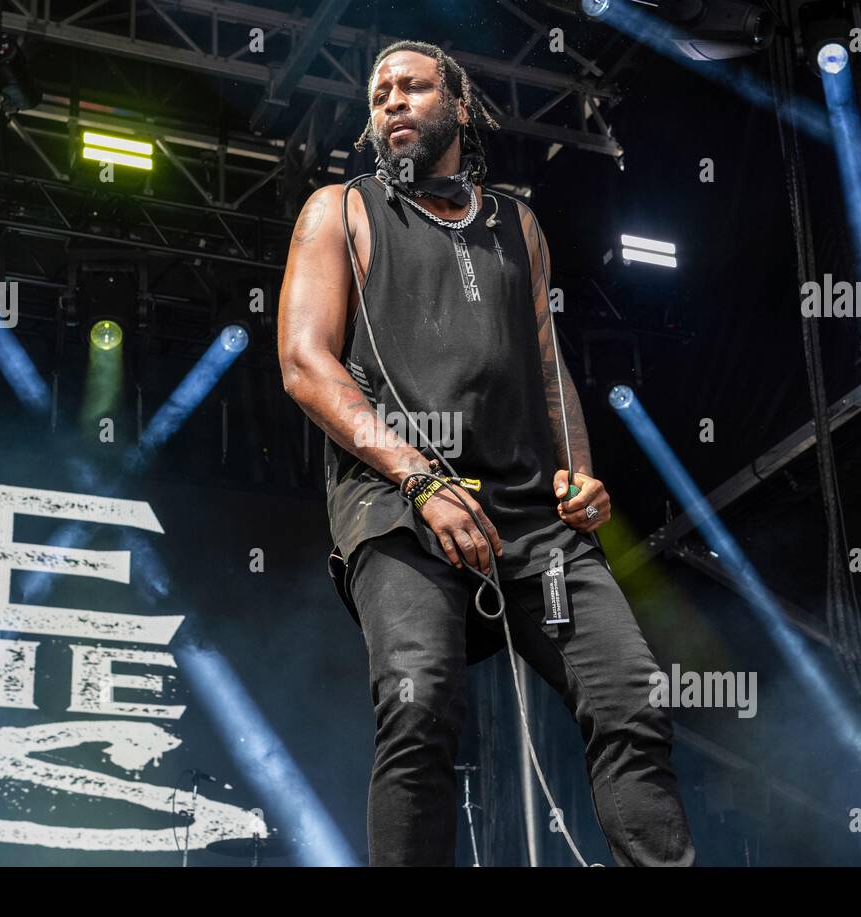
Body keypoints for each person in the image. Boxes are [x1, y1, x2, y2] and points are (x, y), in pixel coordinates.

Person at [278, 39, 695, 867]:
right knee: (419, 704)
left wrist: (577, 469)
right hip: (398, 501)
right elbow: (303, 364)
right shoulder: (342, 209)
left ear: (460, 105)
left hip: (533, 519)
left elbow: (546, 368)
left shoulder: (518, 223)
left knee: (631, 698)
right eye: (380, 92)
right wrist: (420, 477)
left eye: (413, 86)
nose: (393, 101)